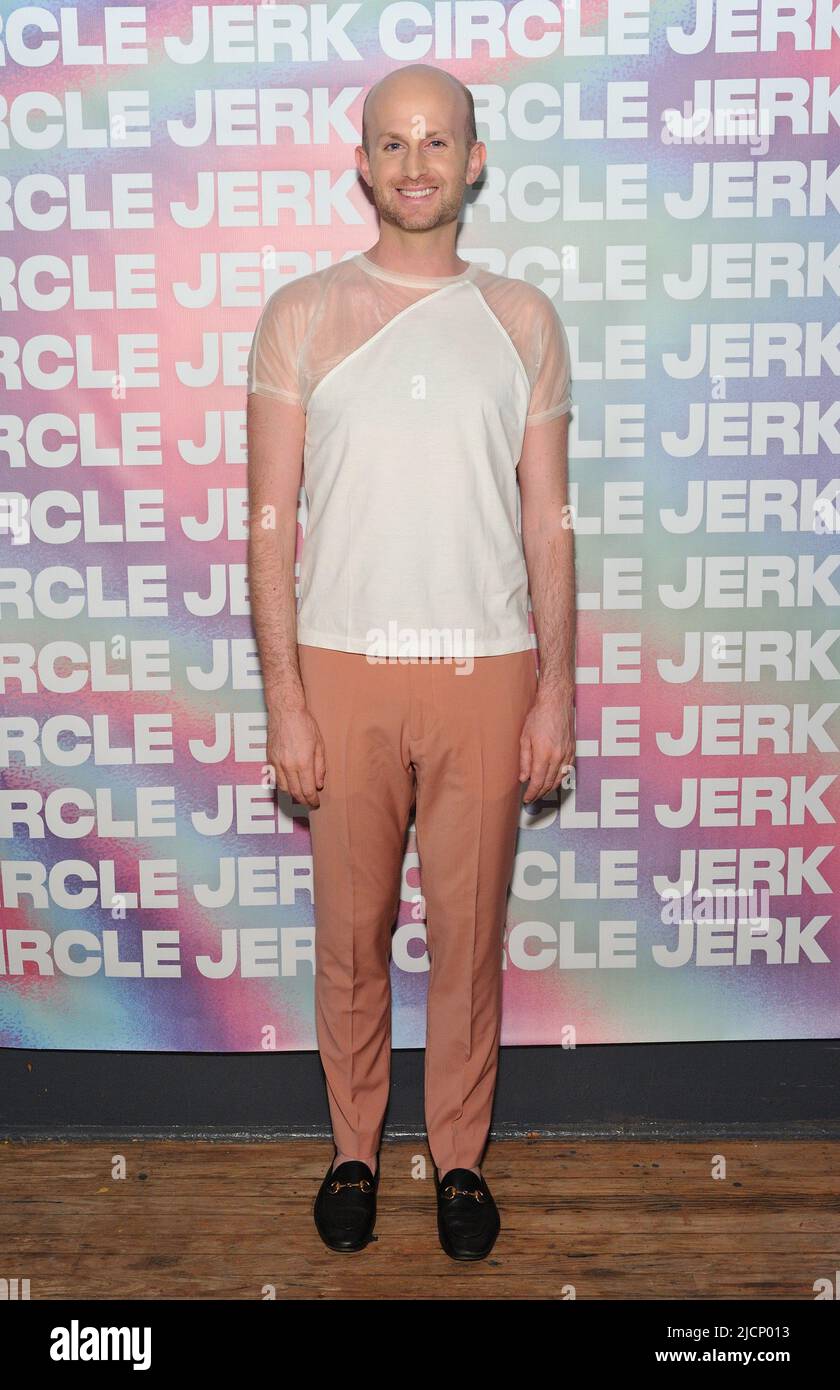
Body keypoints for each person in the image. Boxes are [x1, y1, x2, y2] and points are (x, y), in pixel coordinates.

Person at [246, 62, 576, 1261]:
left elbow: (549, 523)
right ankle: (351, 1149)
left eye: (439, 142)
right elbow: (270, 521)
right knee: (352, 929)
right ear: (364, 163)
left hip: (488, 668)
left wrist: (556, 690)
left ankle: (462, 1159)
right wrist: (285, 694)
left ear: (474, 159)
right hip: (342, 665)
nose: (417, 163)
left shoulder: (525, 320)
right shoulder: (300, 314)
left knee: (471, 930)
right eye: (394, 143)